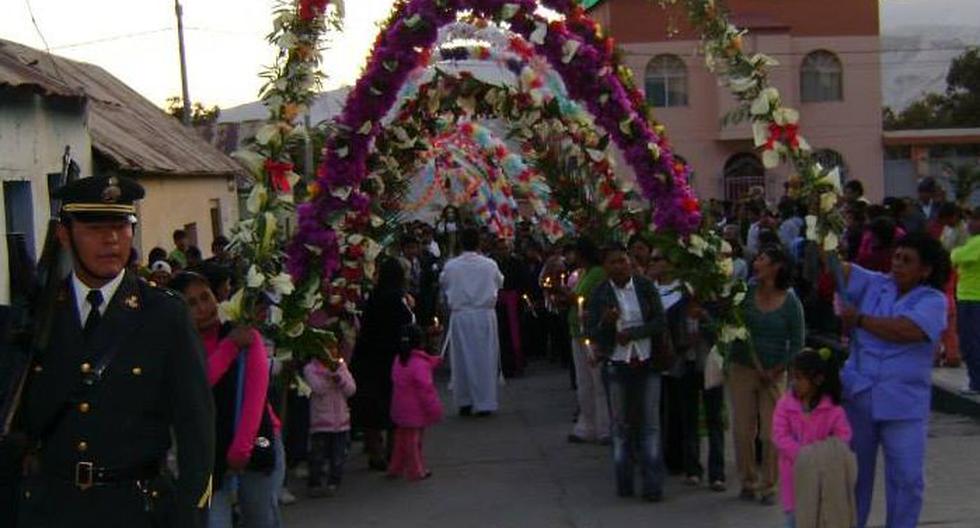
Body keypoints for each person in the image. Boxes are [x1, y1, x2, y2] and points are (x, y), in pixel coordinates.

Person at [17, 176, 213, 528]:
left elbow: (196, 427)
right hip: (51, 510)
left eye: (120, 227)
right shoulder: (34, 316)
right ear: (64, 235)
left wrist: (191, 514)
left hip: (137, 509)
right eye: (94, 228)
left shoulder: (164, 315)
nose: (110, 240)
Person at [832, 232, 951, 528]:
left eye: (907, 261)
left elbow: (906, 330)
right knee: (854, 476)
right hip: (859, 395)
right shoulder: (875, 283)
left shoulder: (933, 300)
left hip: (904, 405)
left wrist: (859, 320)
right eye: (896, 257)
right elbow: (839, 269)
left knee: (907, 479)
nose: (897, 264)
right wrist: (824, 229)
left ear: (925, 270)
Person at [169, 272, 283, 528]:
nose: (202, 308)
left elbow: (256, 396)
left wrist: (242, 447)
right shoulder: (180, 349)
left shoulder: (241, 332)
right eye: (191, 303)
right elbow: (195, 389)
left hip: (254, 441)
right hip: (209, 454)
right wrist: (228, 348)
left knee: (260, 520)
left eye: (205, 298)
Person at [586, 243, 668, 502]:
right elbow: (591, 332)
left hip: (646, 362)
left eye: (623, 261)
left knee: (650, 425)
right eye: (613, 262)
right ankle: (624, 481)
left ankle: (653, 483)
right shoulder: (600, 293)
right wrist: (604, 323)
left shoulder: (644, 287)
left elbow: (659, 321)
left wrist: (633, 333)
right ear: (605, 268)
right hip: (617, 364)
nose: (619, 267)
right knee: (621, 426)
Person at [729, 245, 804, 505]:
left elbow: (797, 343)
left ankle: (769, 485)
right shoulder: (744, 295)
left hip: (774, 375)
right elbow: (732, 326)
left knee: (772, 432)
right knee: (742, 429)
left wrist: (777, 369)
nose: (756, 262)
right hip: (743, 368)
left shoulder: (791, 303)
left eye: (762, 258)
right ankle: (747, 481)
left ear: (777, 267)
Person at [772, 349, 854, 528]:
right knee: (795, 521)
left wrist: (818, 458)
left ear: (817, 379)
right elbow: (779, 436)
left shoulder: (833, 410)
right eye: (793, 377)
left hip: (825, 482)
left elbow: (843, 438)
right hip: (794, 480)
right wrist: (804, 456)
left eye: (799, 378)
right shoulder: (785, 405)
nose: (794, 383)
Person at [350, 258, 416, 470]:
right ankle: (392, 452)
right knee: (392, 408)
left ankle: (375, 451)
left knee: (372, 409)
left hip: (369, 358)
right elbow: (406, 325)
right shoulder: (397, 299)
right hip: (391, 359)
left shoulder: (374, 297)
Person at [440, 227, 504, 416]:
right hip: (483, 315)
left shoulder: (451, 266)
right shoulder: (489, 264)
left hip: (462, 316)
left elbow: (444, 284)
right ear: (479, 243)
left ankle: (465, 400)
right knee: (485, 358)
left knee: (462, 359)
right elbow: (500, 282)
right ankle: (484, 402)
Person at [567, 237, 609, 445]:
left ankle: (604, 427)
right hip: (578, 331)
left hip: (592, 332)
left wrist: (567, 295)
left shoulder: (597, 273)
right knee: (584, 382)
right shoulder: (582, 273)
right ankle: (587, 424)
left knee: (597, 381)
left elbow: (583, 297)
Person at [388, 324, 443, 481]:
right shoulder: (420, 364)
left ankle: (396, 467)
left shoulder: (399, 360)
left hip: (399, 408)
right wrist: (434, 409)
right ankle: (416, 470)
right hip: (415, 411)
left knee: (400, 441)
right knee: (414, 442)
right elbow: (426, 389)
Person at [302, 346, 356, 497]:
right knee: (317, 455)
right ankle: (315, 483)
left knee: (338, 455)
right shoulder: (310, 369)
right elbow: (317, 388)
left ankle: (334, 481)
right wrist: (329, 377)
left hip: (341, 421)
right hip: (321, 420)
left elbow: (351, 389)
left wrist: (339, 378)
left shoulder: (341, 367)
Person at [952, 207, 980, 394]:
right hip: (968, 297)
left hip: (972, 299)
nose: (970, 223)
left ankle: (976, 383)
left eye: (975, 220)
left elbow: (956, 256)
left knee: (971, 343)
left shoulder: (977, 242)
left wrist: (956, 252)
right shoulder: (971, 241)